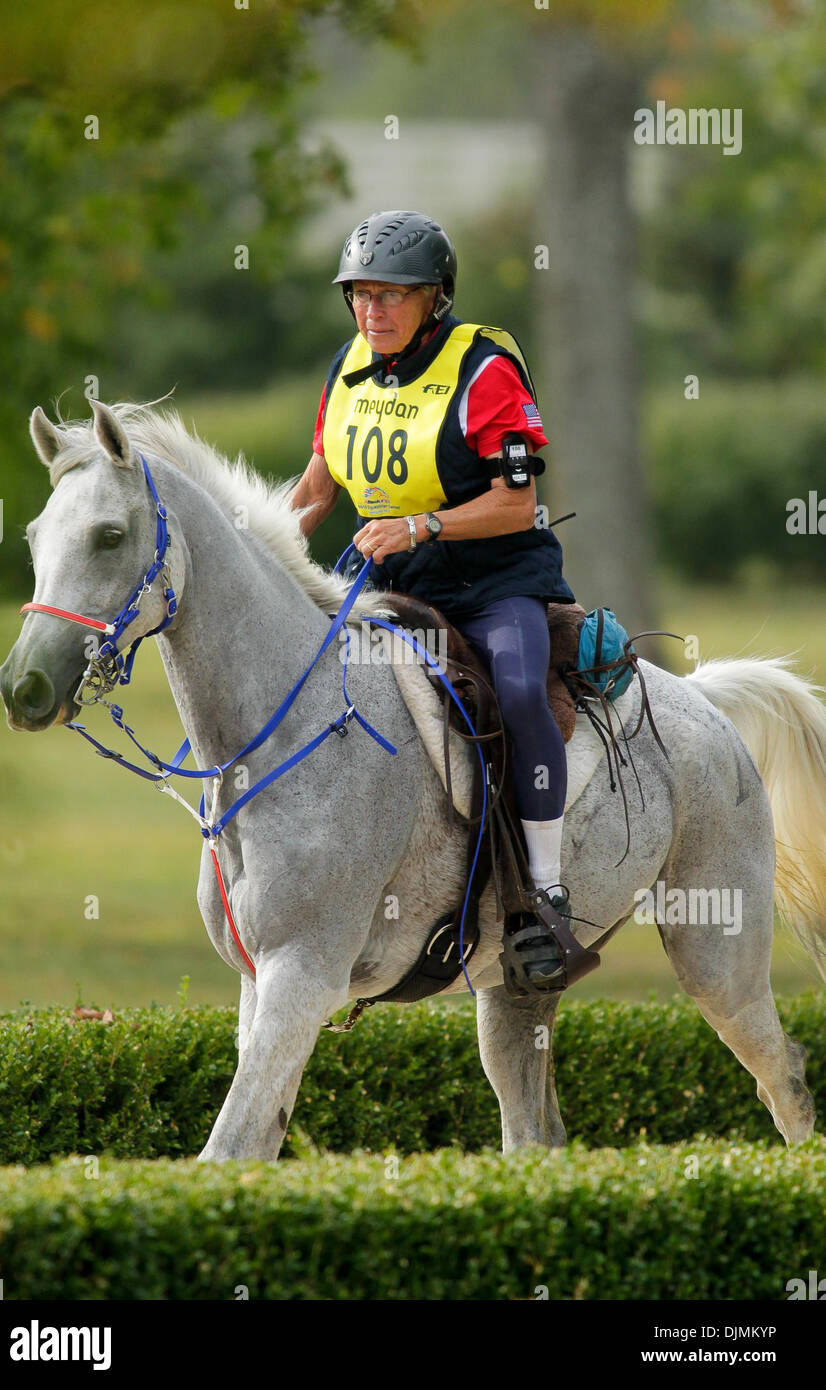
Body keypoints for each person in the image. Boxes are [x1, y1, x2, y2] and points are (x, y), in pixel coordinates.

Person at [289, 210, 577, 993]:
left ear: (436, 299)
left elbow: (517, 505)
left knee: (517, 692)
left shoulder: (484, 370)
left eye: (393, 295)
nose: (372, 311)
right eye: (361, 295)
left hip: (492, 582)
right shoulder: (348, 369)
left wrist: (421, 524)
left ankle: (542, 897)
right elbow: (317, 491)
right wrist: (253, 546)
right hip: (389, 585)